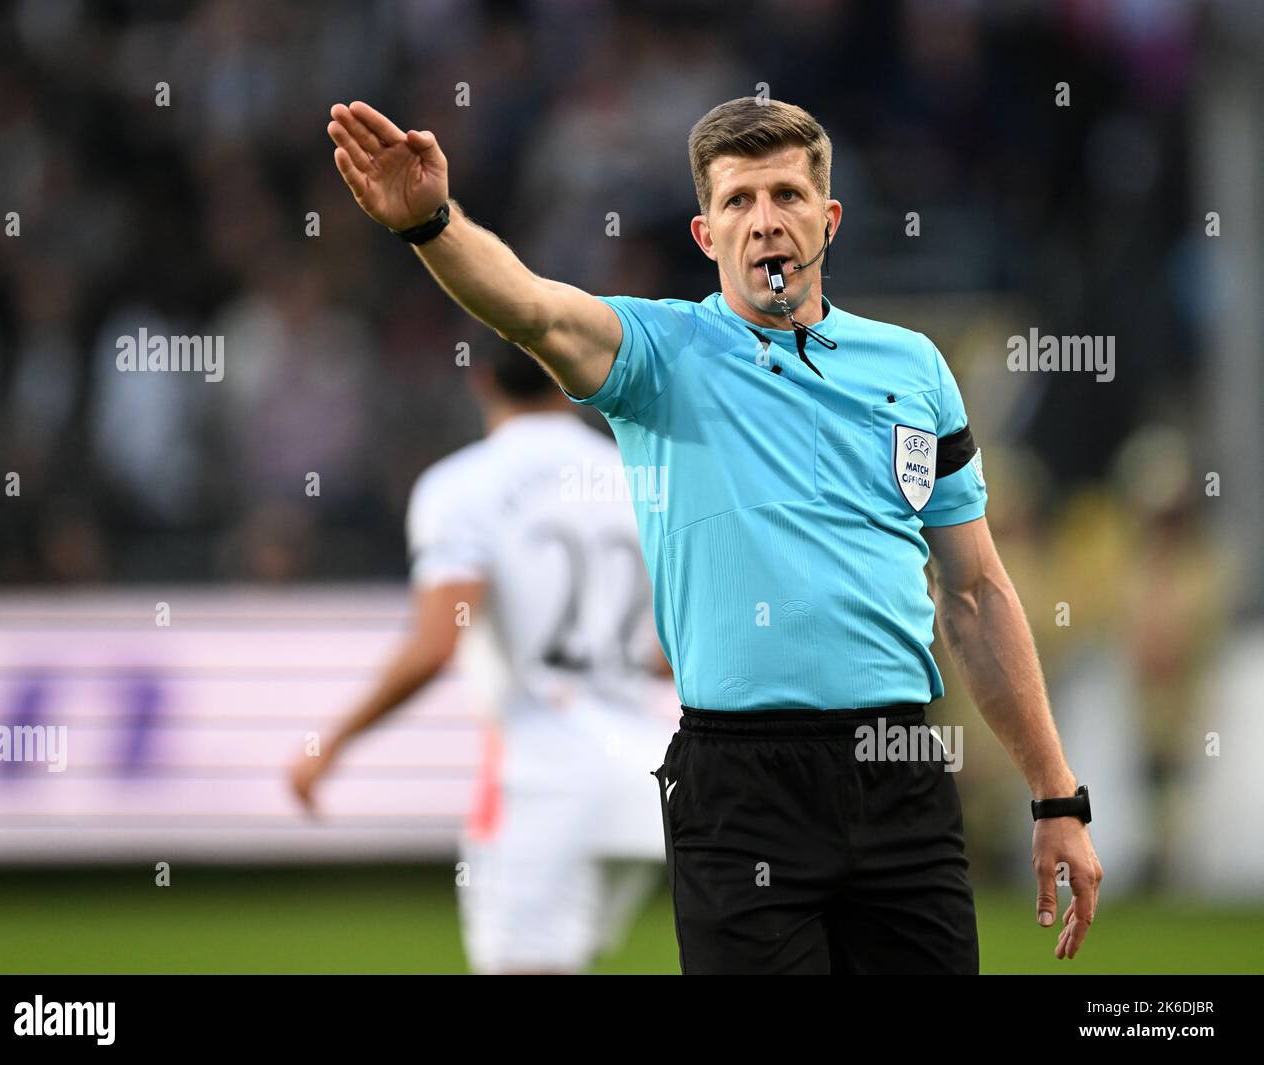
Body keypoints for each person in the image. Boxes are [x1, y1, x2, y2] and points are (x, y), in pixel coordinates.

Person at [324, 94, 1103, 974]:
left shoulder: (915, 369)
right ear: (706, 234)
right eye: (738, 201)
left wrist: (1055, 795)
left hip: (900, 769)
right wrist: (432, 224)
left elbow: (974, 593)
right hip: (739, 786)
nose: (765, 222)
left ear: (829, 217)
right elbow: (533, 311)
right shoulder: (661, 354)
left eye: (786, 196)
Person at [288, 347, 676, 974]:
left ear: (480, 377)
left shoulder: (462, 485)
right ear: (570, 378)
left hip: (539, 775)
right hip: (642, 777)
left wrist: (331, 742)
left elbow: (439, 640)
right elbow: (665, 654)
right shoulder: (636, 477)